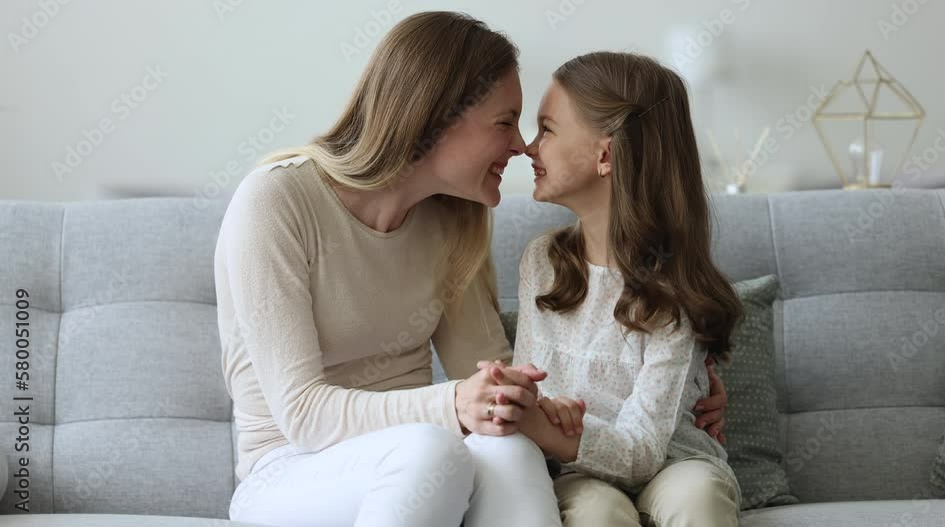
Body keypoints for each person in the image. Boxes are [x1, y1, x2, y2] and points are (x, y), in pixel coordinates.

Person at [215, 11, 729, 527]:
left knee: (512, 450)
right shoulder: (276, 201)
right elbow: (303, 414)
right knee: (429, 450)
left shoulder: (455, 220)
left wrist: (680, 395)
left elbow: (496, 377)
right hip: (289, 470)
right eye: (505, 122)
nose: (519, 146)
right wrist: (456, 403)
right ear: (436, 117)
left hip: (416, 457)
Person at [505, 51, 744, 526]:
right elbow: (533, 381)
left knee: (700, 494)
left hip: (670, 460)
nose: (530, 148)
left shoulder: (674, 289)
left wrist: (540, 425)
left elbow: (644, 453)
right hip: (574, 468)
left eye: (547, 129)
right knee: (597, 511)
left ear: (606, 154)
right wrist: (534, 419)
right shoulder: (542, 261)